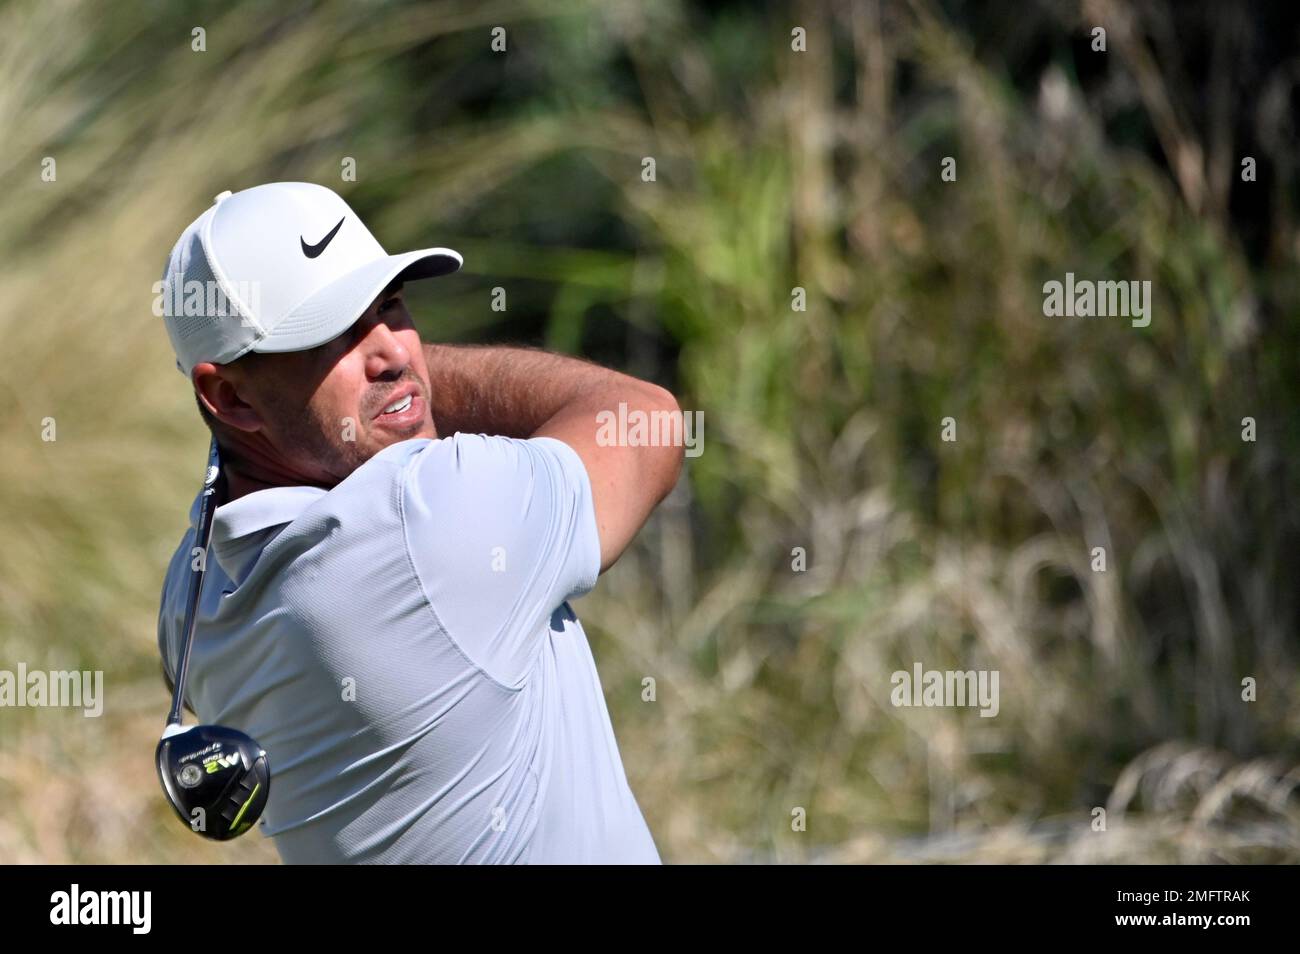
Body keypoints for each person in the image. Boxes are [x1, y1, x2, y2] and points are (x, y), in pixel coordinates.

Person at [155, 182, 682, 863]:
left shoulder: (187, 604)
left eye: (392, 307)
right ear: (228, 396)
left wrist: (367, 392)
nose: (396, 351)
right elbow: (644, 417)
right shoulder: (425, 523)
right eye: (335, 333)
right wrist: (412, 389)